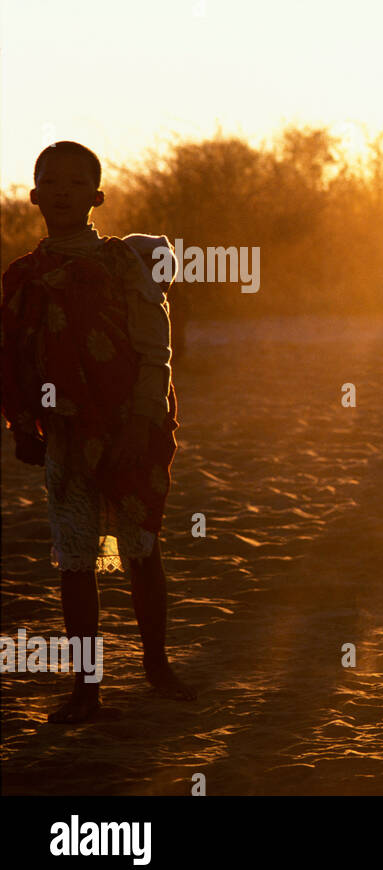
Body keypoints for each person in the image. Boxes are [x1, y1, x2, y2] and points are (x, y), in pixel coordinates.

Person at [1, 141, 195, 723]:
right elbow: (12, 357)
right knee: (76, 562)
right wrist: (21, 426)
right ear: (33, 196)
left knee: (140, 550)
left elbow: (152, 346)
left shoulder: (121, 263)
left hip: (130, 427)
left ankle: (157, 667)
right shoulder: (22, 277)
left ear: (97, 195)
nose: (62, 192)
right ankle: (88, 689)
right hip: (62, 433)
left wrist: (142, 418)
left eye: (75, 183)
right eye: (50, 183)